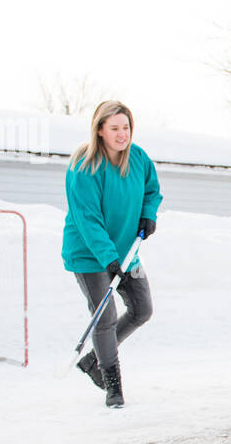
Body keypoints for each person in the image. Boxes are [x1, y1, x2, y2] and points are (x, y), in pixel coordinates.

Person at [61, 101, 162, 408]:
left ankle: (93, 361)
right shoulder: (84, 165)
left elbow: (151, 190)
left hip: (125, 251)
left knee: (142, 309)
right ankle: (112, 385)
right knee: (103, 318)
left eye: (126, 128)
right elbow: (87, 218)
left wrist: (148, 214)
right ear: (100, 130)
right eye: (115, 128)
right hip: (90, 254)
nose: (122, 135)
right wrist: (107, 257)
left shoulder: (139, 158)